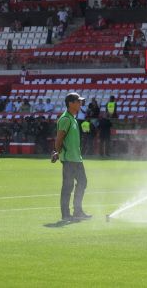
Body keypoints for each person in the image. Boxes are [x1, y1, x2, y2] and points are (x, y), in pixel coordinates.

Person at [52, 93, 91, 222]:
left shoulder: (73, 119)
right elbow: (59, 138)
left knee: (83, 182)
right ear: (70, 103)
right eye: (78, 101)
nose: (80, 104)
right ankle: (65, 214)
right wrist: (56, 152)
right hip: (69, 159)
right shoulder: (65, 119)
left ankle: (77, 211)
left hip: (76, 158)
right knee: (68, 186)